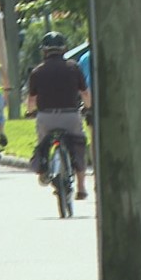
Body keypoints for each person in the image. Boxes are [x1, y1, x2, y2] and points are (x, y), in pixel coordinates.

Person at [26, 31, 91, 197]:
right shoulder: (73, 67)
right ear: (64, 49)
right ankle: (81, 187)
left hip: (46, 116)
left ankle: (42, 168)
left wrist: (30, 112)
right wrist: (88, 108)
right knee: (78, 145)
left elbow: (32, 99)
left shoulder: (37, 71)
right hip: (70, 115)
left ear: (44, 51)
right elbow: (85, 94)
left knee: (42, 142)